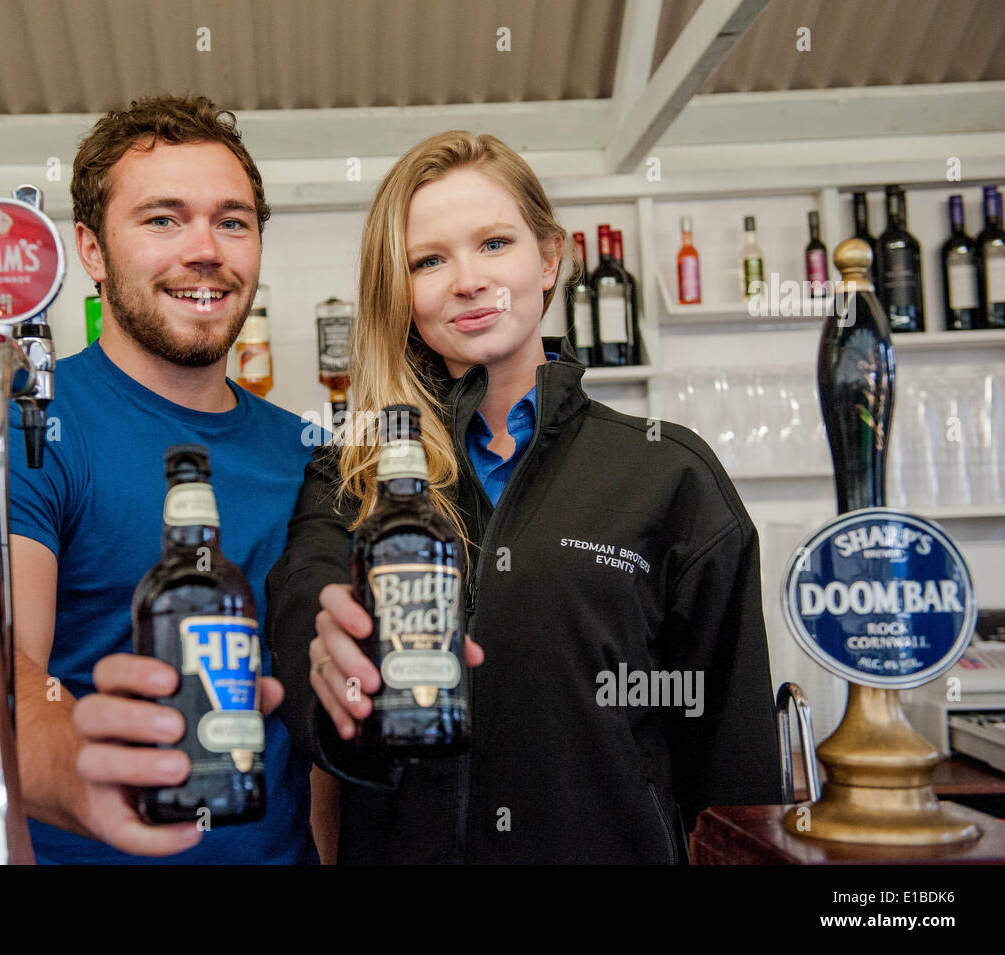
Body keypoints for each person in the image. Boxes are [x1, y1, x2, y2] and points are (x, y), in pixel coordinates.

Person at [265, 130, 781, 864]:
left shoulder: (667, 473)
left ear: (548, 258)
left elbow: (735, 766)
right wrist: (329, 645)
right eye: (429, 260)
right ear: (401, 294)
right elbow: (304, 607)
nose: (468, 280)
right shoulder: (351, 473)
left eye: (494, 243)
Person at [0, 94, 317, 864]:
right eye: (163, 219)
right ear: (91, 252)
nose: (205, 249)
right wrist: (81, 769)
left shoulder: (309, 452)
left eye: (232, 221)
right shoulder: (20, 432)